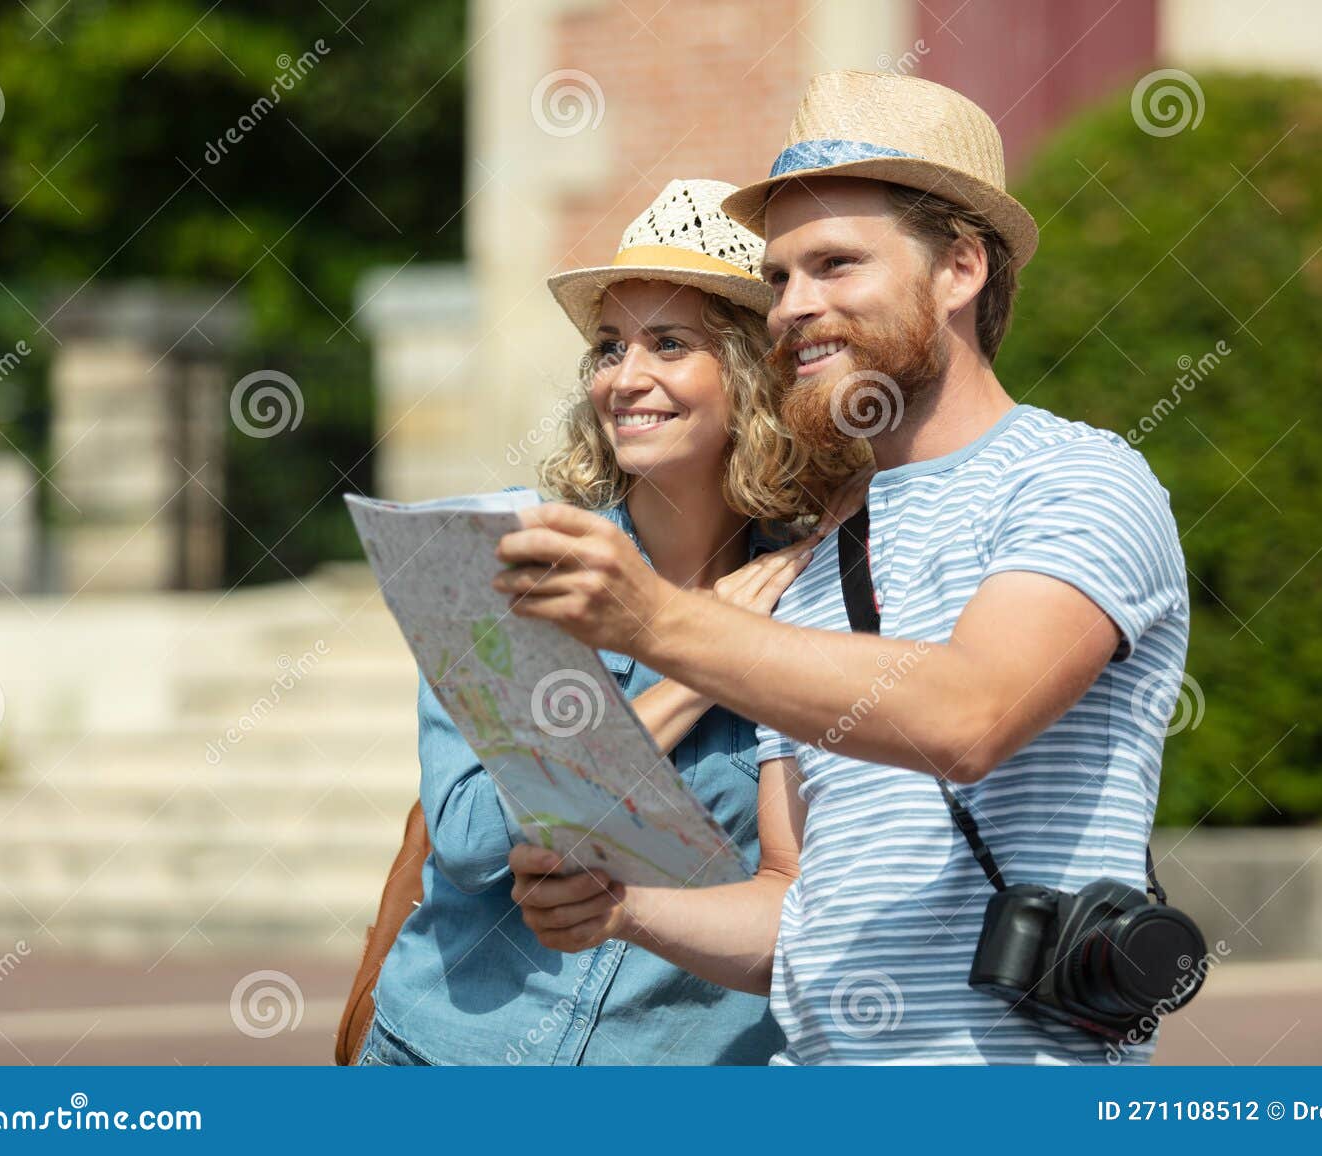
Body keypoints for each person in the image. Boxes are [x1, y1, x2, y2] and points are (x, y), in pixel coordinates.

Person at [498, 72, 1191, 1065]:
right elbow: (795, 901)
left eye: (834, 265)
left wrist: (657, 621)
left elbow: (969, 716)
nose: (793, 309)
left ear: (959, 267)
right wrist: (624, 909)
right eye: (779, 278)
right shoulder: (818, 562)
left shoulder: (1077, 478)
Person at [357, 178, 863, 1065]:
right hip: (440, 1062)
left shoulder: (816, 596)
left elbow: (810, 897)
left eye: (668, 344)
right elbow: (474, 838)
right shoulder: (506, 552)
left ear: (750, 372)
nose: (625, 379)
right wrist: (701, 661)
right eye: (608, 347)